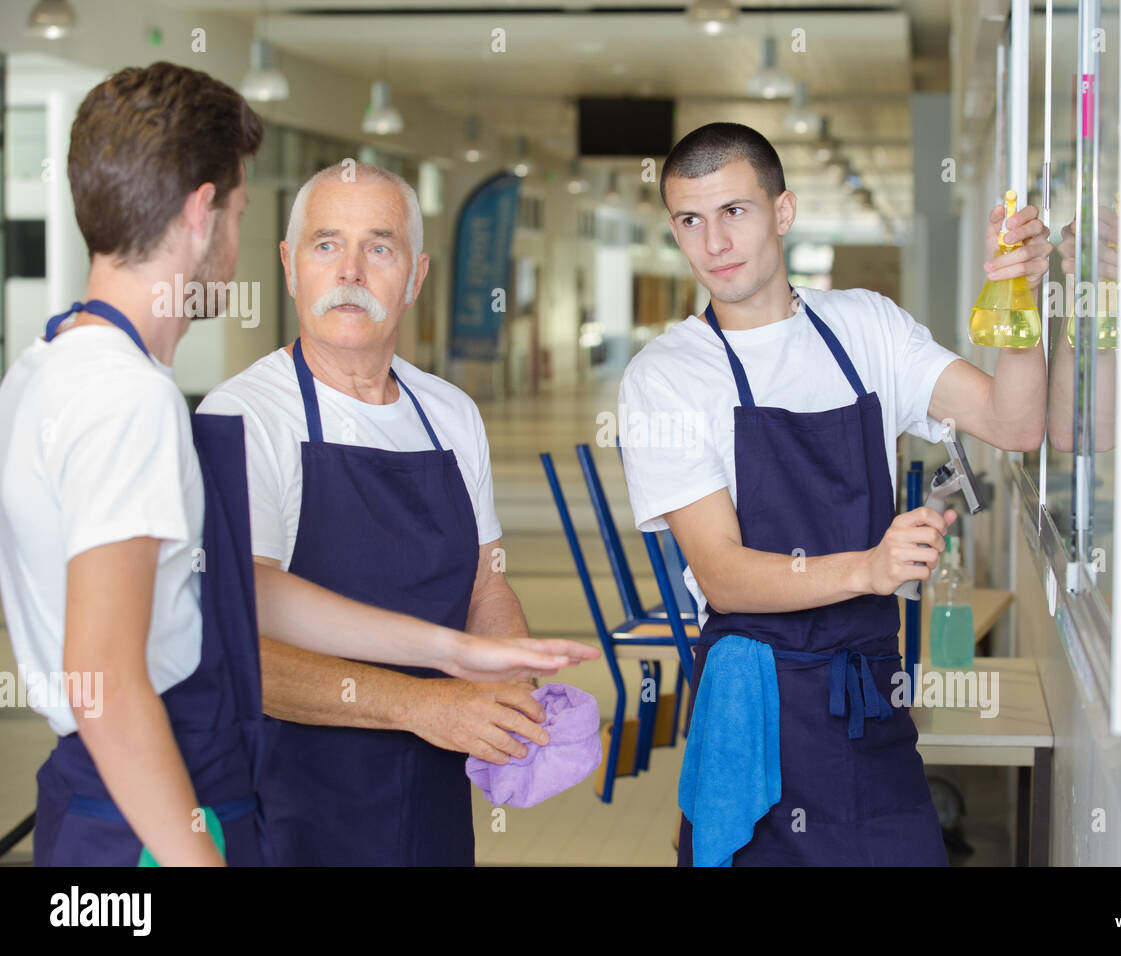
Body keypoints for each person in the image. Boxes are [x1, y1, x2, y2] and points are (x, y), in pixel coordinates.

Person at [0, 62, 593, 868]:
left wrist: (460, 656)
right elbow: (108, 681)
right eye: (244, 208)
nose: (347, 270)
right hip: (152, 802)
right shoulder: (131, 400)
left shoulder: (48, 364)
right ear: (204, 213)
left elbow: (255, 599)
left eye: (376, 248)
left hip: (158, 790)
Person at [617, 122, 1051, 866]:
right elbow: (721, 572)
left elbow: (1014, 423)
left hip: (871, 699)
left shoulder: (865, 327)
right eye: (691, 220)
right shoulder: (666, 376)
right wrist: (868, 569)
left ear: (782, 212)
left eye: (734, 212)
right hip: (758, 712)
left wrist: (1018, 302)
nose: (714, 242)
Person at [197, 162, 555, 865]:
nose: (350, 270)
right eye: (326, 244)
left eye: (379, 247)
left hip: (432, 806)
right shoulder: (244, 417)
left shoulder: (451, 413)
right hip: (289, 811)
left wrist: (510, 690)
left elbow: (487, 584)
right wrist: (424, 706)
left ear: (417, 275)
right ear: (291, 266)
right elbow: (240, 652)